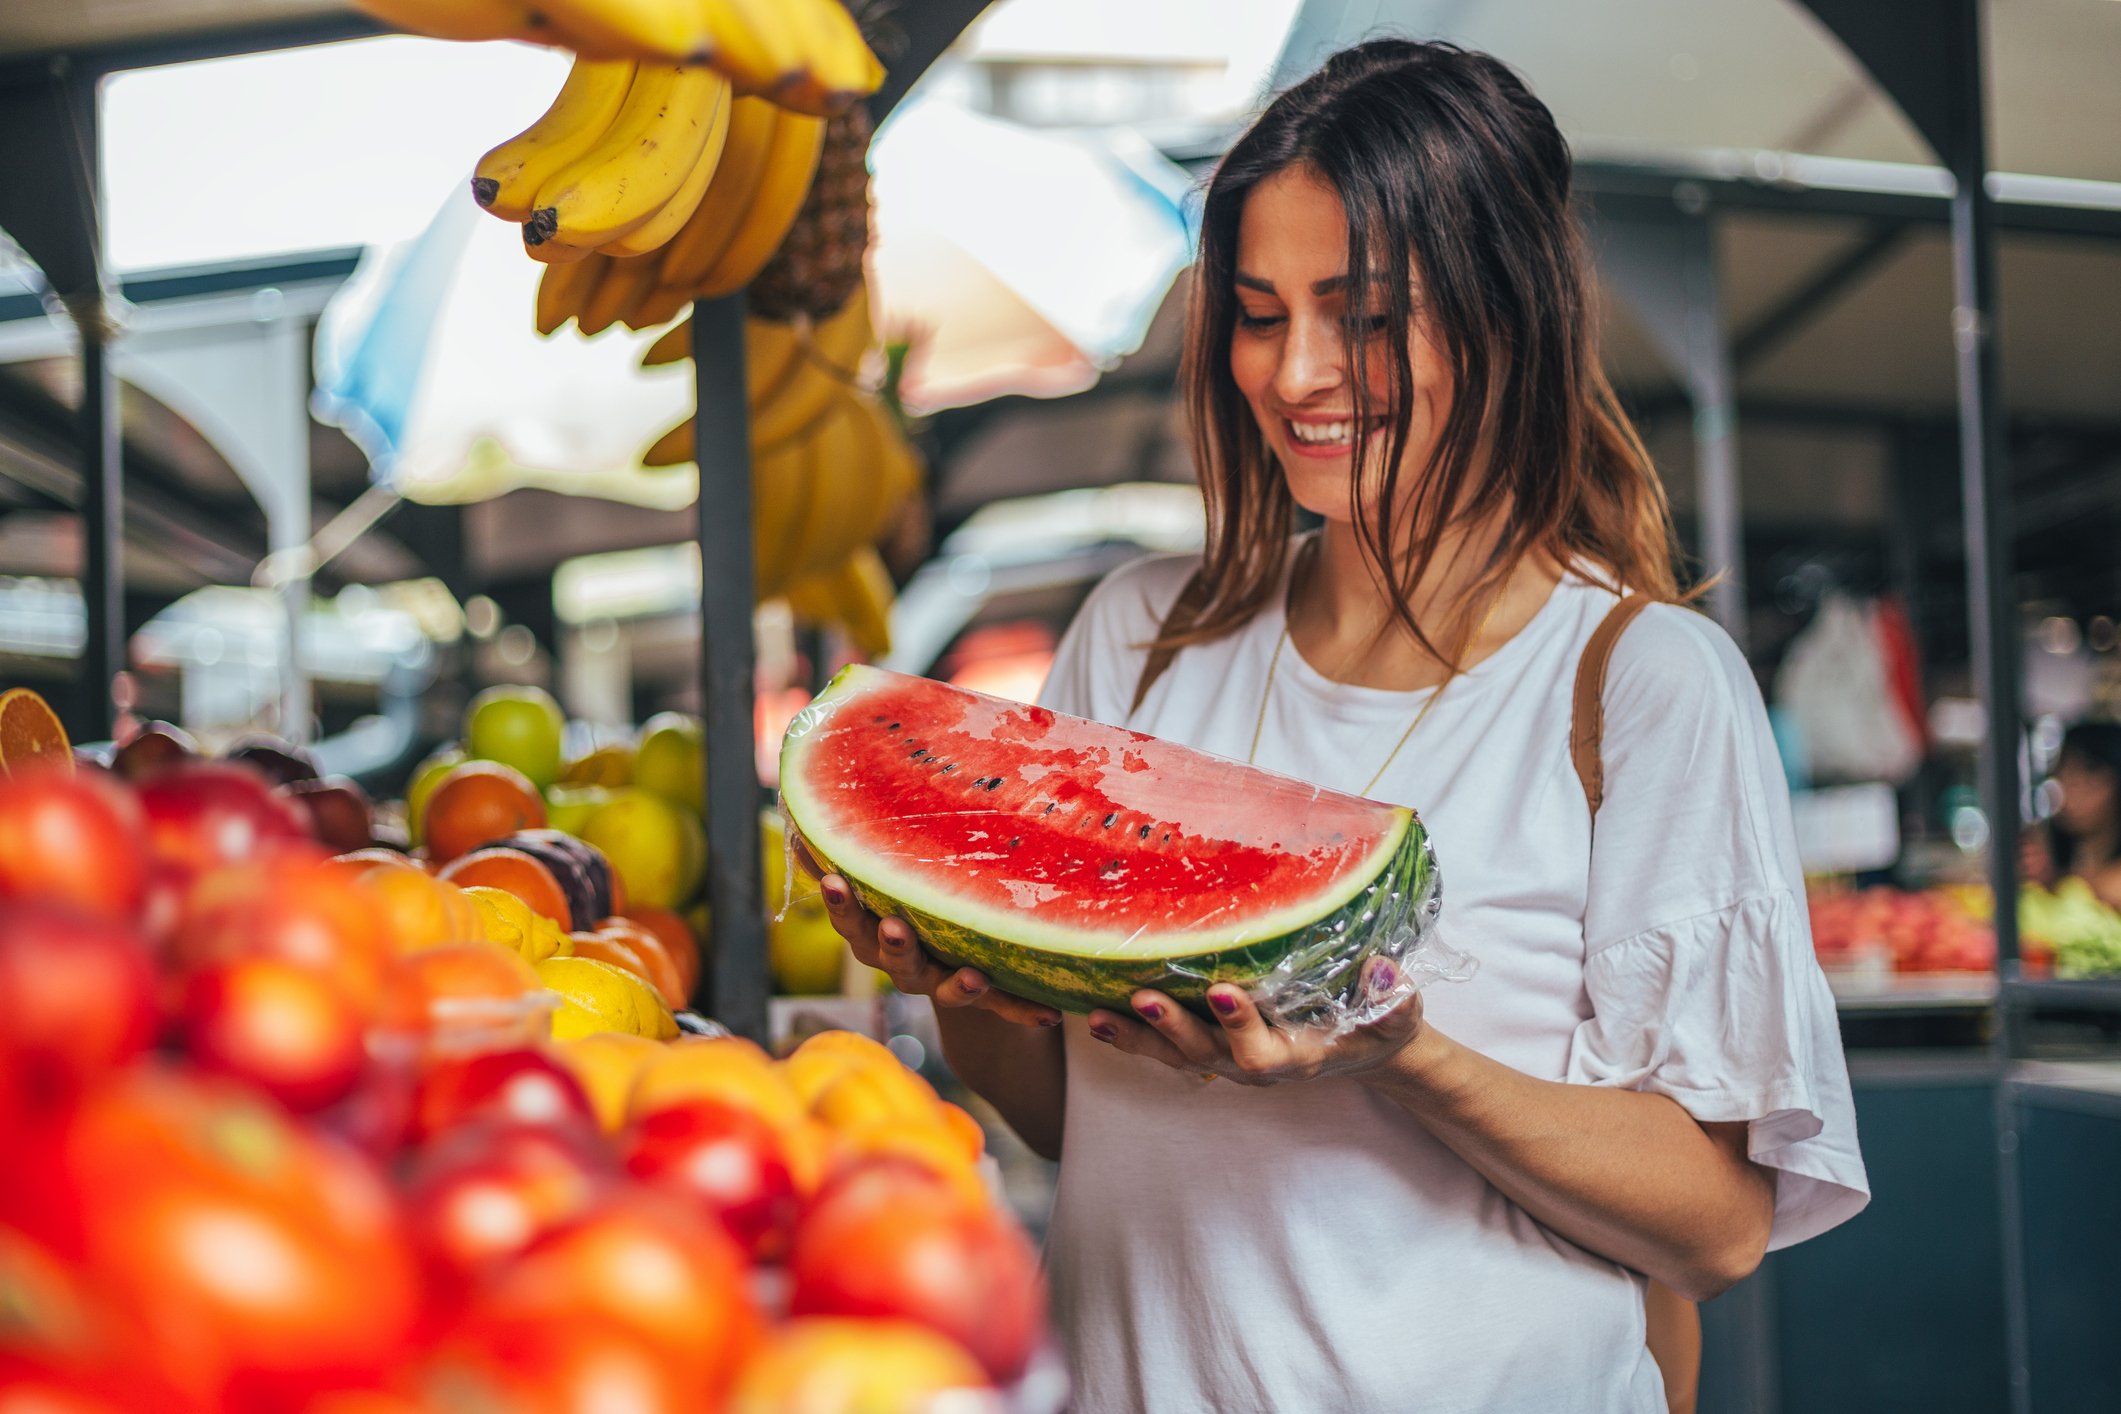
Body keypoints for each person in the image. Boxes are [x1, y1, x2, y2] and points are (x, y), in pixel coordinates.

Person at [806, 39, 1868, 1414]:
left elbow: (1716, 1223)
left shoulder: (1640, 680)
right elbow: (1079, 1122)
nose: (1297, 371)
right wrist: (969, 975)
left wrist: (1405, 1051)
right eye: (1256, 312)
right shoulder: (1138, 635)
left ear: (1507, 311)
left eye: (1362, 316)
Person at [2027, 721, 2121, 908]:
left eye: (2090, 771)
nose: (2073, 787)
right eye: (2066, 770)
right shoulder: (2048, 846)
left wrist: (2054, 882)